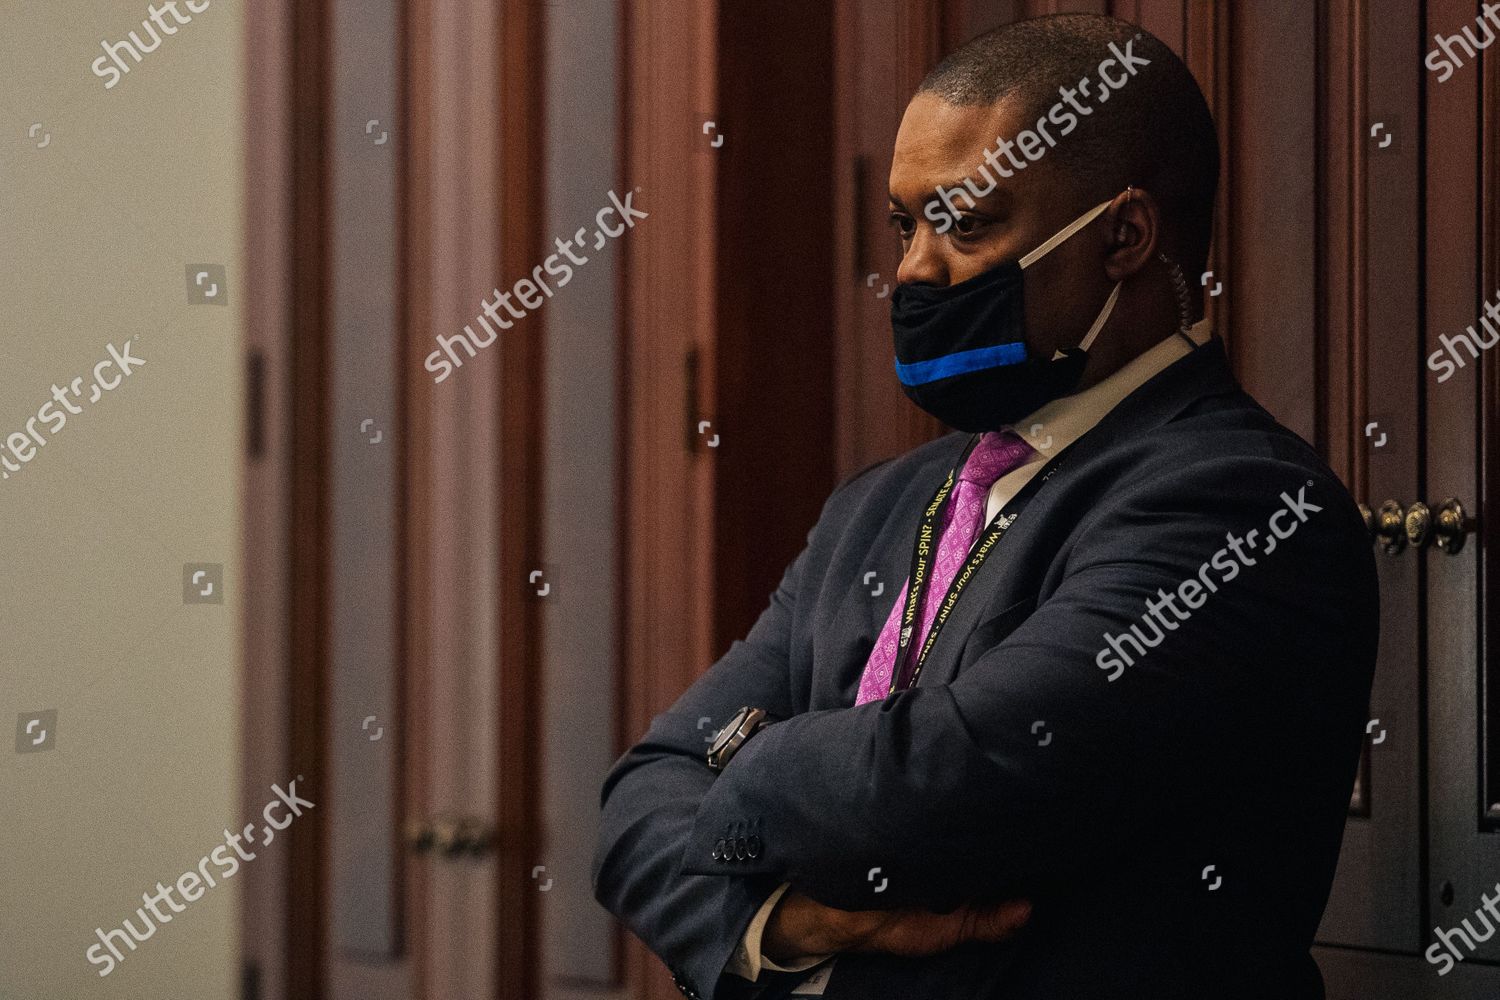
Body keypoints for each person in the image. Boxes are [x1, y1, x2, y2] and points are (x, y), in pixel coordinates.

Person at [593, 13, 1378, 1000]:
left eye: (966, 221)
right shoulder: (872, 511)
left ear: (1123, 236)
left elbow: (939, 792)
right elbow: (641, 793)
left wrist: (746, 767)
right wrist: (776, 920)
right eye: (903, 224)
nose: (916, 267)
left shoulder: (1240, 504)